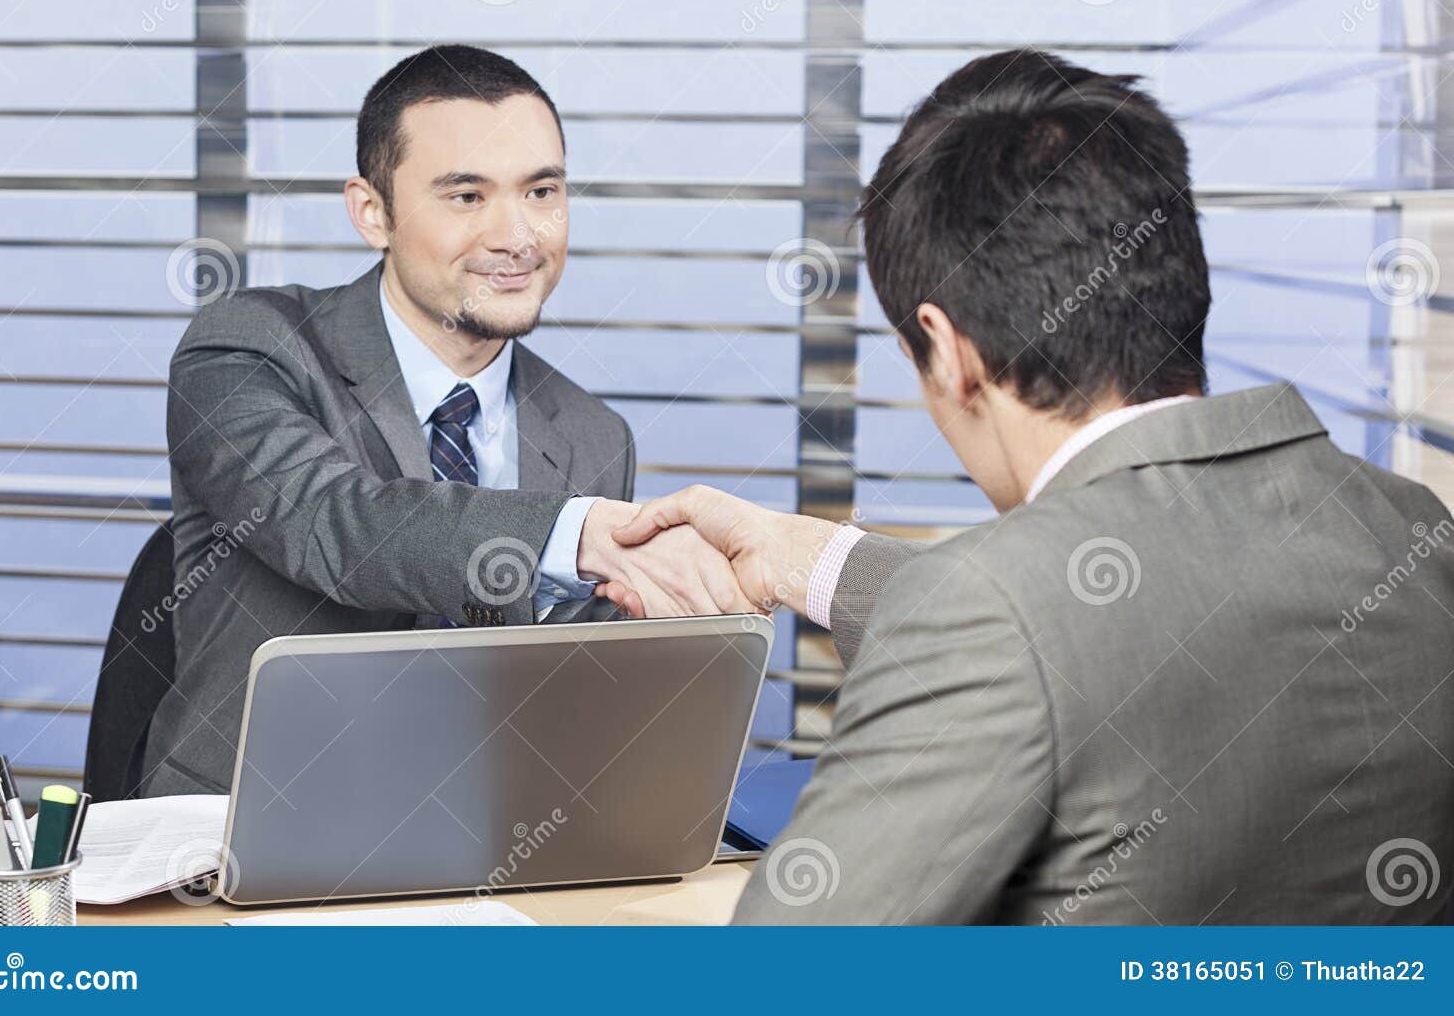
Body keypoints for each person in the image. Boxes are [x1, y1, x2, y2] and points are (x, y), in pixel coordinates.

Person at [608, 50, 1454, 924]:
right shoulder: (1410, 531)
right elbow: (1118, 625)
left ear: (951, 350)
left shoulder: (991, 613)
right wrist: (806, 559)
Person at [142, 45, 748, 797]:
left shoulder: (592, 436)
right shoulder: (249, 347)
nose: (518, 236)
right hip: (241, 835)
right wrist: (580, 535)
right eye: (467, 196)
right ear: (373, 212)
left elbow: (562, 705)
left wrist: (671, 629)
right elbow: (336, 524)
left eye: (541, 191)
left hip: (484, 845)